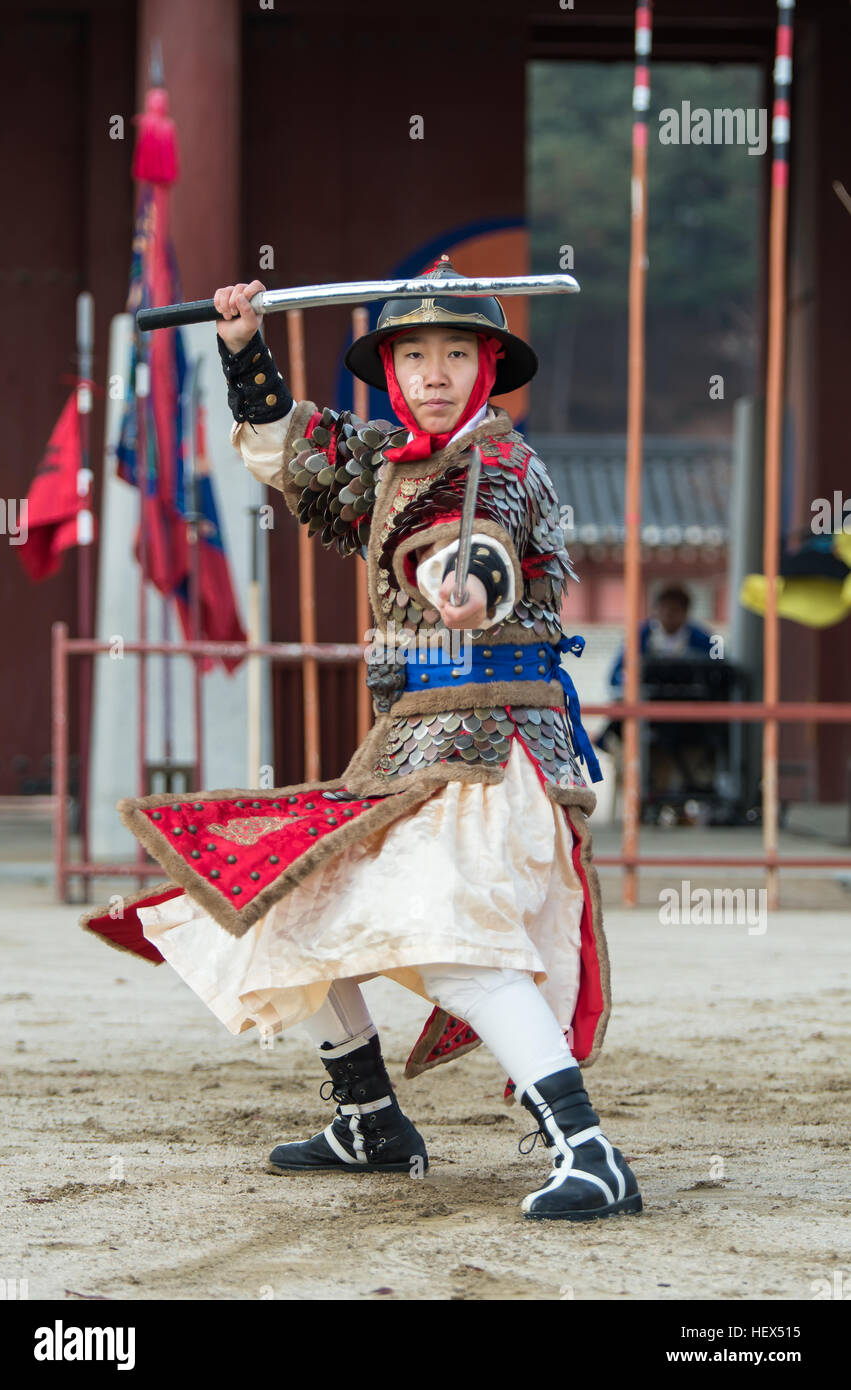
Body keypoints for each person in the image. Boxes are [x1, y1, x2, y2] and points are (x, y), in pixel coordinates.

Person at [82, 256, 641, 1222]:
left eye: (454, 352)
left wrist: (461, 584)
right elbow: (290, 448)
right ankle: (370, 1121)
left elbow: (475, 542)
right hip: (404, 747)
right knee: (289, 902)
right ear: (390, 370)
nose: (432, 372)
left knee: (460, 944)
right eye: (413, 353)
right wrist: (243, 346)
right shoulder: (389, 461)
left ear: (486, 365)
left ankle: (589, 1152)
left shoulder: (497, 464)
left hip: (492, 747)